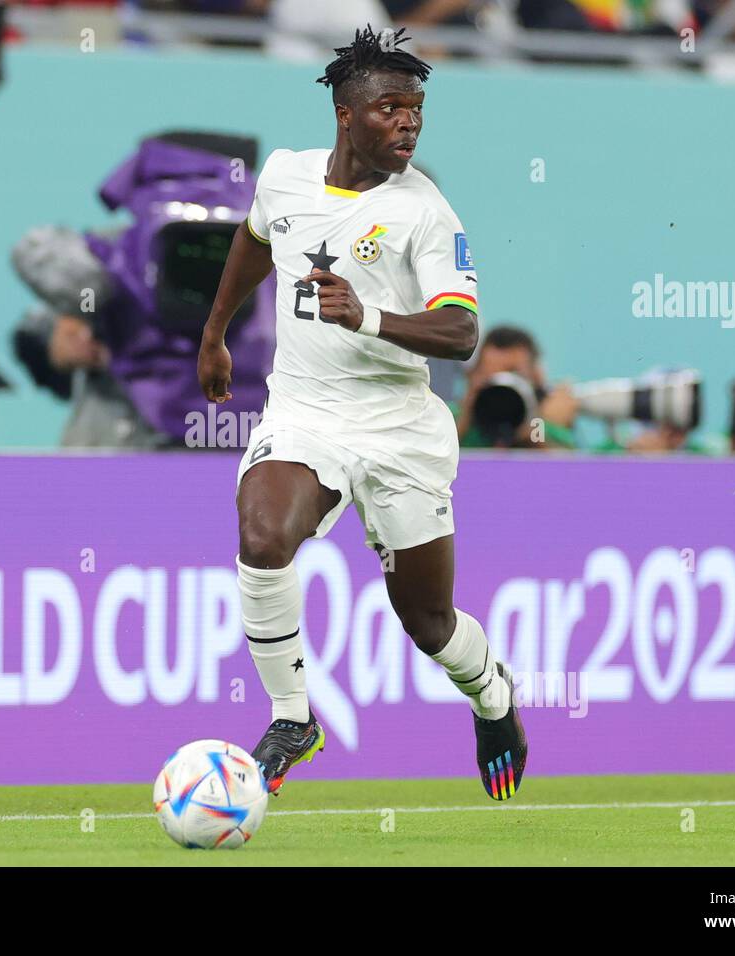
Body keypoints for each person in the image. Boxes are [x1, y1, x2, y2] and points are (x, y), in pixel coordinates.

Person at [197, 26, 527, 801]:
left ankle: (494, 699)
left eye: (416, 110)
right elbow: (254, 240)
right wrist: (213, 334)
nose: (408, 123)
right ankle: (292, 716)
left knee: (428, 622)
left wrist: (368, 319)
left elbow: (463, 331)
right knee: (260, 533)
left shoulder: (427, 215)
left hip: (398, 427)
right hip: (306, 410)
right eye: (391, 109)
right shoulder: (284, 176)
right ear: (347, 115)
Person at [455, 325, 578, 449]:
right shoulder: (451, 417)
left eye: (512, 375)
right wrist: (463, 421)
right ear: (474, 375)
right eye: (491, 377)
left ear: (536, 377)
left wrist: (533, 435)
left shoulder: (542, 425)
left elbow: (567, 464)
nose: (502, 390)